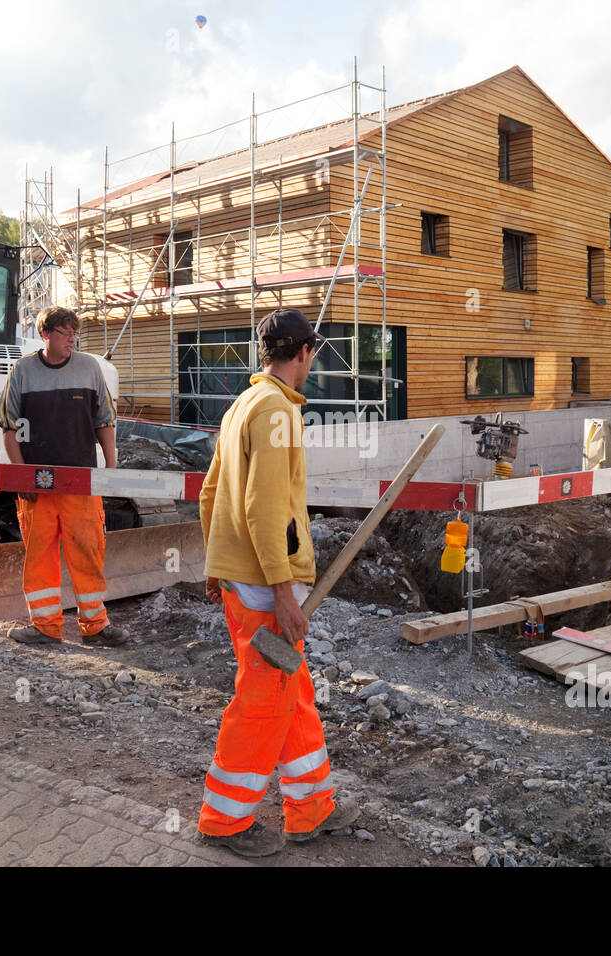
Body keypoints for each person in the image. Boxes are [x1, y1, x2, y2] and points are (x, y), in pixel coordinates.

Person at [195, 307, 359, 857]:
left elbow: (209, 493)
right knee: (263, 701)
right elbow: (265, 510)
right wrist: (284, 593)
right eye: (314, 354)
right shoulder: (278, 413)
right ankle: (224, 820)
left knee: (292, 694)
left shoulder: (244, 404)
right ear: (305, 352)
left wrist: (218, 565)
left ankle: (311, 807)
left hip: (244, 580)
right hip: (266, 586)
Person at [0, 306, 125, 647]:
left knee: (88, 552)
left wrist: (110, 471)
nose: (72, 338)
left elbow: (104, 421)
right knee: (40, 555)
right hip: (36, 485)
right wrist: (23, 476)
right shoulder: (22, 371)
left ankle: (95, 626)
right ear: (46, 335)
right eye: (65, 332)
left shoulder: (89, 367)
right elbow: (9, 428)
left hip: (81, 482)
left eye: (74, 333)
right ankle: (45, 626)